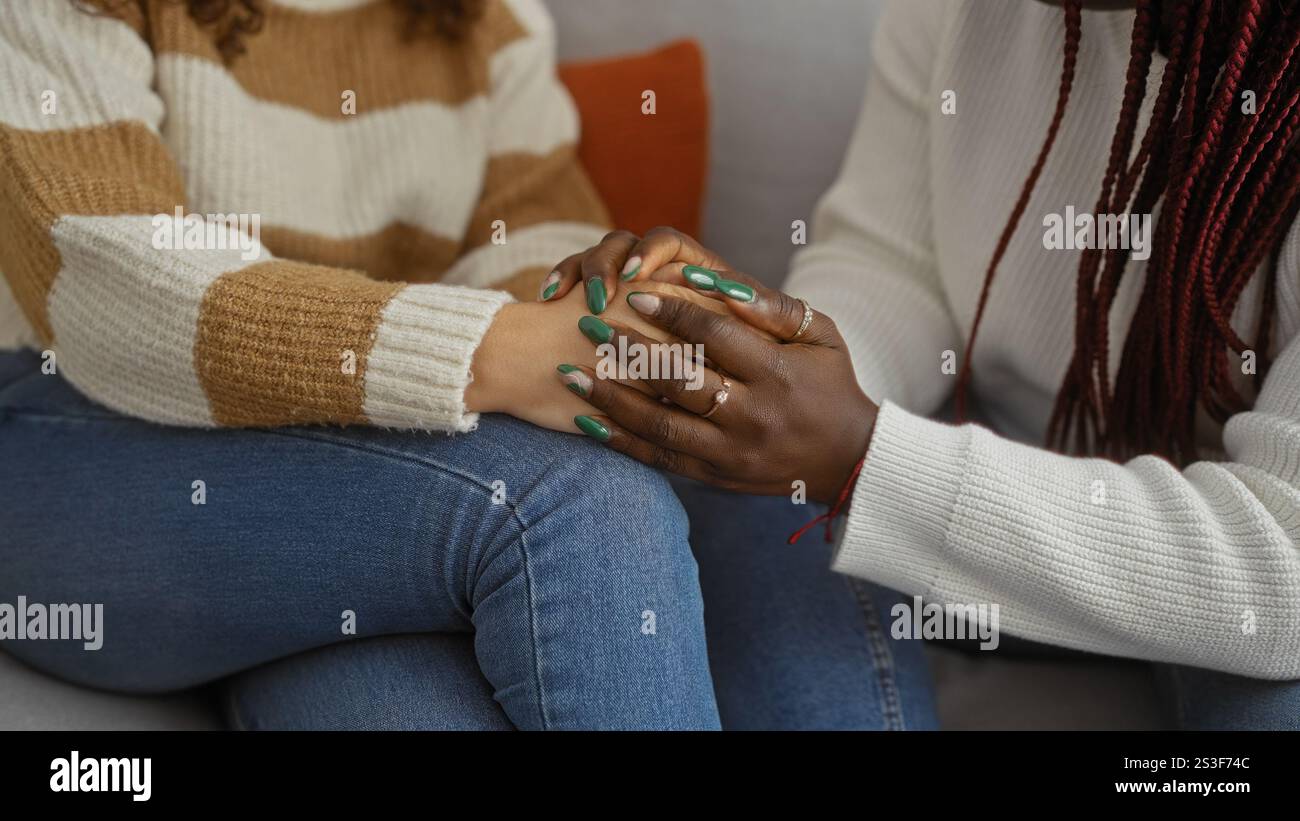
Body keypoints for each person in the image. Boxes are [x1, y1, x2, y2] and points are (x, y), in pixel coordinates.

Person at [0, 0, 937, 730]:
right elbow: (112, 282)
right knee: (577, 499)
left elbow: (533, 236)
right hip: (86, 443)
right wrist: (505, 349)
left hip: (387, 481)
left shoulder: (486, 18)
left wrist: (607, 316)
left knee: (761, 475)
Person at [553, 0, 1300, 729]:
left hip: (1222, 582)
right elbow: (897, 261)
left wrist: (863, 456)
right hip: (976, 486)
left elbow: (1284, 571)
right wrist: (764, 366)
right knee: (738, 493)